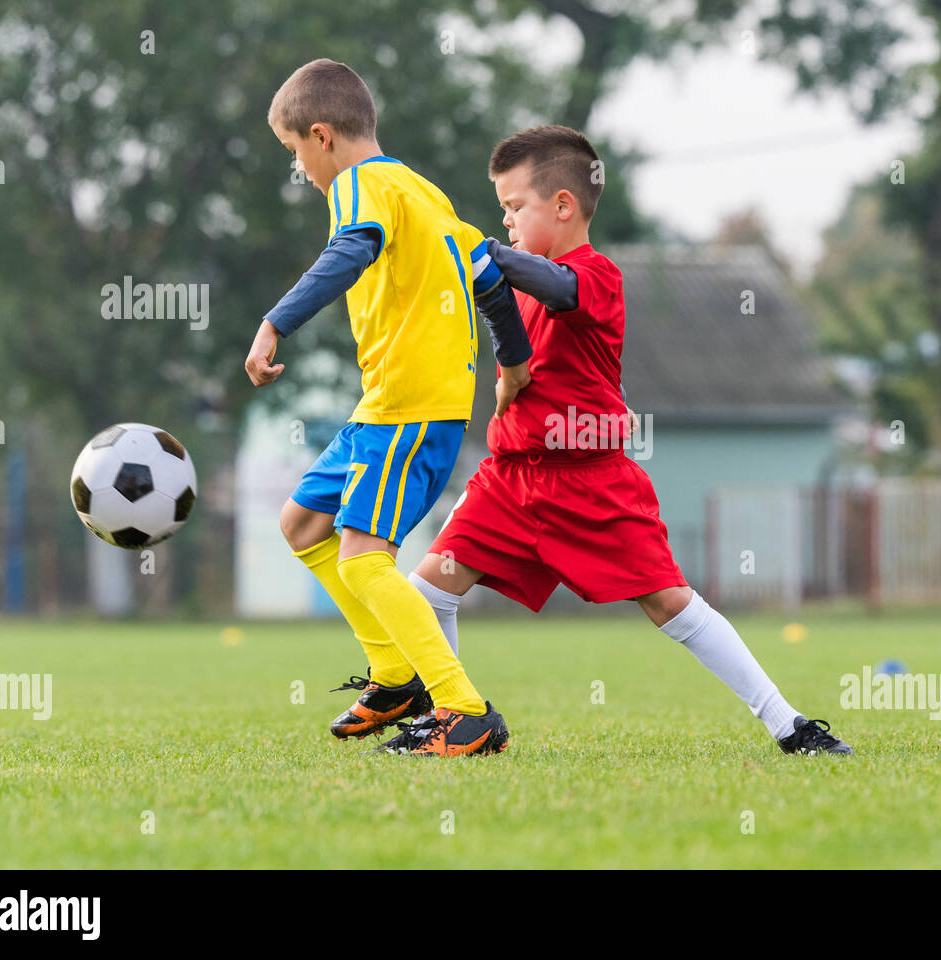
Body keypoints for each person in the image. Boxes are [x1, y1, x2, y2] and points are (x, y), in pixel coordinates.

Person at [388, 124, 853, 757]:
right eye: (500, 210)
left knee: (669, 603)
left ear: (563, 205)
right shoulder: (518, 282)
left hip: (590, 479)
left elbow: (557, 289)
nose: (507, 219)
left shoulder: (596, 275)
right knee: (427, 590)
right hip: (512, 477)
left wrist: (490, 253)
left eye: (515, 206)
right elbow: (506, 324)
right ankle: (456, 719)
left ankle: (789, 724)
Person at [244, 59, 533, 756]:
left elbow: (353, 247)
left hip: (412, 405)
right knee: (304, 523)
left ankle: (463, 711)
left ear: (322, 136)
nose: (302, 171)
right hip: (387, 405)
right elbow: (489, 280)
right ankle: (395, 676)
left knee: (366, 558)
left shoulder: (359, 184)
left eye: (294, 154)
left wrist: (276, 321)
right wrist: (515, 366)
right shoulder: (422, 191)